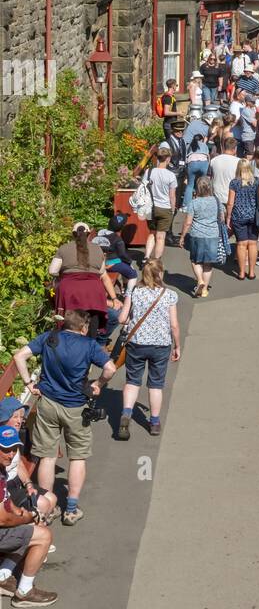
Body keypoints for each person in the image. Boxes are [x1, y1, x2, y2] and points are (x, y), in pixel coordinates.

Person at [13, 309, 117, 525]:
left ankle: (47, 506)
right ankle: (71, 509)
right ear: (84, 327)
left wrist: (29, 384)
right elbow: (110, 368)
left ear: (64, 324)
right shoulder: (89, 346)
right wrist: (98, 384)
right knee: (77, 456)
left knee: (47, 456)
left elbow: (19, 356)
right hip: (76, 407)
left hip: (48, 403)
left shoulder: (49, 338)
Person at [117, 259, 181, 438]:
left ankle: (126, 413)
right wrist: (178, 345)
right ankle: (154, 422)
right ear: (160, 273)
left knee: (132, 381)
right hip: (161, 345)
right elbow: (174, 325)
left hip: (136, 342)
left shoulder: (135, 291)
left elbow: (122, 318)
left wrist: (131, 319)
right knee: (155, 384)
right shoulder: (169, 295)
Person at [0, 427, 57, 608]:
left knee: (28, 527)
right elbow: (3, 520)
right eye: (5, 450)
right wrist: (27, 517)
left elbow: (7, 504)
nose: (10, 455)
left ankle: (3, 575)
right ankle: (24, 592)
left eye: (13, 450)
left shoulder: (2, 470)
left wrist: (22, 513)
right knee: (43, 536)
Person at [49, 223, 122, 336]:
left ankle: (68, 343)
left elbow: (52, 270)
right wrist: (114, 298)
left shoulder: (63, 248)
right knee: (93, 317)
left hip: (70, 289)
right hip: (93, 290)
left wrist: (64, 274)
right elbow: (102, 273)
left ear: (73, 234)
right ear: (88, 234)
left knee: (68, 320)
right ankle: (91, 341)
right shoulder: (97, 249)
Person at [179, 174, 225, 295]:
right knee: (208, 264)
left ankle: (199, 280)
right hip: (213, 235)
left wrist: (182, 236)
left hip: (197, 235)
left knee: (195, 260)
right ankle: (204, 289)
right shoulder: (216, 201)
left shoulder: (194, 203)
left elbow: (188, 222)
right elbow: (222, 218)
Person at [225, 157, 259, 280]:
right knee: (252, 244)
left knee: (241, 244)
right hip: (254, 216)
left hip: (238, 216)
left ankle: (241, 273)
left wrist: (228, 217)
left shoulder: (234, 182)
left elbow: (230, 202)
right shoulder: (256, 181)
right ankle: (251, 272)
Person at [142, 142, 178, 261]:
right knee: (161, 237)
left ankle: (146, 257)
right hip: (164, 207)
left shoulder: (149, 172)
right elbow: (172, 196)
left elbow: (144, 187)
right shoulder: (171, 176)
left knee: (152, 233)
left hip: (150, 207)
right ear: (168, 159)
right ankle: (156, 261)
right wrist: (173, 210)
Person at [183, 131, 211, 207]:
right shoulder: (204, 145)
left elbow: (186, 157)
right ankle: (202, 204)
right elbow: (208, 157)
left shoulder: (189, 145)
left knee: (190, 185)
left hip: (192, 164)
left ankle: (186, 206)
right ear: (201, 140)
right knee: (202, 184)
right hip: (203, 163)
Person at [210, 135, 240, 207]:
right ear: (235, 149)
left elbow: (209, 178)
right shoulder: (239, 162)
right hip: (232, 198)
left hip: (216, 196)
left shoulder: (214, 160)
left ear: (223, 147)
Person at [159, 78, 179, 143]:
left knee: (173, 143)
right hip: (169, 124)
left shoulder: (170, 96)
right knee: (171, 144)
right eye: (176, 85)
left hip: (171, 123)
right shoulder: (168, 97)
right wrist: (178, 113)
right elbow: (166, 112)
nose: (176, 87)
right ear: (173, 86)